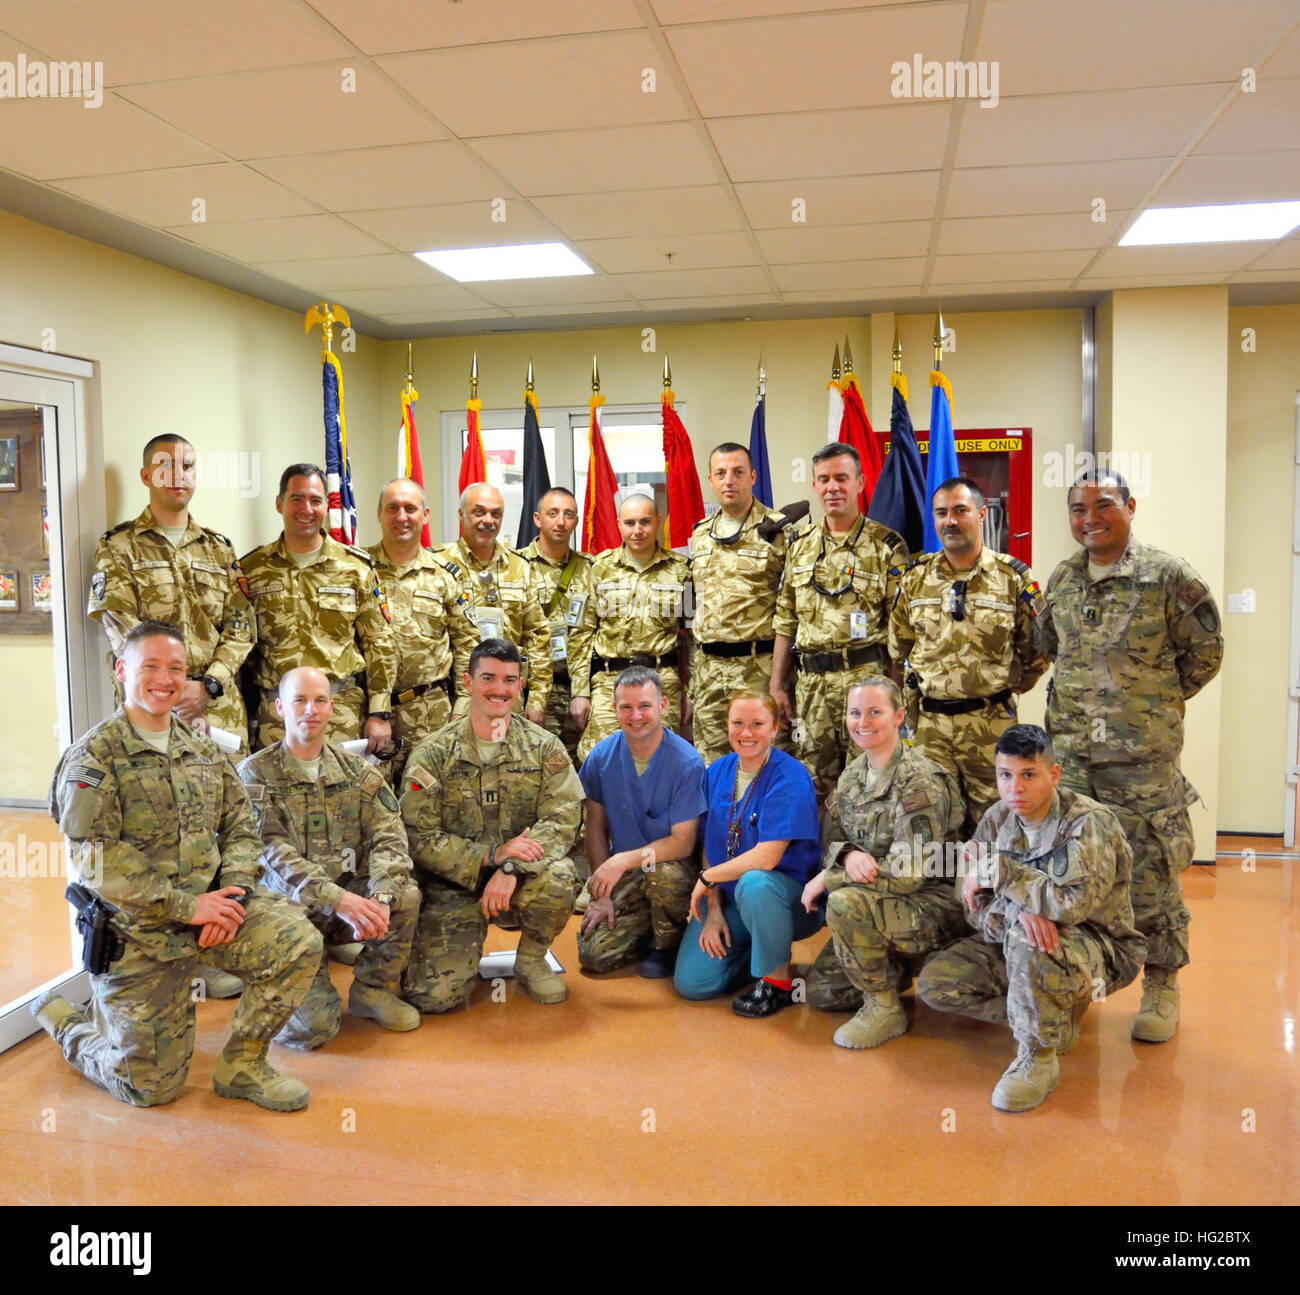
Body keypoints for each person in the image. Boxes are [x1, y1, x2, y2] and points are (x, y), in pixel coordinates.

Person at [32, 621, 321, 1112]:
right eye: (151, 666)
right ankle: (66, 1019)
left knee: (298, 941)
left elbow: (240, 826)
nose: (165, 679)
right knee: (149, 1089)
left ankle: (243, 1067)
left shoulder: (201, 748)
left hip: (213, 912)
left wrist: (231, 896)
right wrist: (189, 908)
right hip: (141, 932)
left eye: (176, 669)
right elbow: (96, 857)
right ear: (121, 670)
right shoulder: (95, 758)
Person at [1038, 470, 1223, 1042]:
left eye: (1103, 504)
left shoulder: (1168, 576)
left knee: (1150, 877)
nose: (1089, 517)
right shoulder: (1063, 579)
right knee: (1076, 876)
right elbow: (1050, 651)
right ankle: (1079, 985)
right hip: (1072, 761)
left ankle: (1162, 984)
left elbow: (1205, 656)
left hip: (1142, 764)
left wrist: (1147, 709)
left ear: (1130, 507)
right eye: (1078, 508)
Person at [88, 434, 257, 1001]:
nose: (177, 475)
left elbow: (242, 626)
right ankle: (164, 947)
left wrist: (207, 684)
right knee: (162, 832)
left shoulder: (219, 548)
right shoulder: (118, 549)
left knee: (217, 825)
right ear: (146, 476)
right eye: (165, 466)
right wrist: (171, 685)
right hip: (153, 712)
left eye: (187, 464)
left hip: (215, 707)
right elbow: (120, 631)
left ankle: (217, 938)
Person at [917, 724, 1145, 1112]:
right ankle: (1050, 1017)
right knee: (937, 985)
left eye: (1028, 775)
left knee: (1030, 941)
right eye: (1005, 775)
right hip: (1019, 936)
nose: (1015, 788)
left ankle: (1037, 1056)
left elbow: (1072, 906)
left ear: (1053, 775)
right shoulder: (996, 819)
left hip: (1100, 946)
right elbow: (970, 898)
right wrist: (1017, 911)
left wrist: (1002, 875)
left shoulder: (1089, 823)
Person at [237, 666, 421, 1048]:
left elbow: (390, 836)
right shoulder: (253, 775)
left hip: (344, 904)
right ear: (279, 708)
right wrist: (338, 900)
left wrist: (382, 897)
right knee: (315, 1030)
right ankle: (280, 983)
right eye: (300, 700)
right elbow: (273, 855)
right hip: (287, 910)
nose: (311, 709)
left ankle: (373, 990)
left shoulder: (357, 773)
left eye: (320, 700)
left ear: (332, 708)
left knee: (405, 896)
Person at [400, 638, 581, 1011]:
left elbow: (563, 820)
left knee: (560, 877)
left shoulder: (544, 747)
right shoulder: (433, 753)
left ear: (520, 685)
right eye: (488, 678)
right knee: (432, 999)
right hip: (455, 883)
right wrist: (491, 856)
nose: (499, 690)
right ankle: (453, 947)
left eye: (510, 680)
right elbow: (419, 836)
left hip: (520, 877)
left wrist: (511, 867)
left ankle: (530, 960)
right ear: (467, 683)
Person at [803, 677, 967, 1048]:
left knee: (843, 904)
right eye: (855, 712)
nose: (863, 722)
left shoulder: (919, 781)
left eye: (875, 712)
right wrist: (848, 855)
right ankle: (899, 965)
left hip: (931, 904)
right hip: (881, 899)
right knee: (824, 992)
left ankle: (884, 1007)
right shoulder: (852, 777)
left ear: (899, 717)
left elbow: (908, 876)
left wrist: (830, 881)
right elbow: (830, 843)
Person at [890, 477, 1050, 828]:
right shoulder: (914, 579)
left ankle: (989, 886)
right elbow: (897, 648)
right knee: (930, 825)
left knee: (999, 826)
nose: (950, 521)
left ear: (981, 514)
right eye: (941, 513)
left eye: (960, 511)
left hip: (990, 725)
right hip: (929, 729)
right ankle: (941, 886)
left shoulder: (1013, 577)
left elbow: (1038, 650)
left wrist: (1004, 687)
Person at [771, 444, 907, 803]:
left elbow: (900, 628)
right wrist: (776, 685)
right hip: (812, 687)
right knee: (812, 784)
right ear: (815, 486)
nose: (833, 487)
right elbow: (785, 620)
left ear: (860, 483)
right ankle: (822, 860)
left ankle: (867, 858)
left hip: (867, 685)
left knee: (872, 779)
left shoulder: (887, 546)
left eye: (842, 478)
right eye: (824, 479)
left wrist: (895, 694)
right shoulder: (798, 546)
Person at [674, 691, 822, 1017]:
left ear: (775, 728)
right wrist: (713, 909)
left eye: (757, 724)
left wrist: (707, 878)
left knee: (756, 882)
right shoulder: (716, 773)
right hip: (731, 902)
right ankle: (759, 956)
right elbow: (709, 848)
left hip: (789, 902)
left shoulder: (790, 775)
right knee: (693, 984)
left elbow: (767, 858)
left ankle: (778, 984)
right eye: (737, 723)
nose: (746, 733)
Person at [239, 463, 397, 751]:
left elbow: (379, 643)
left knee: (342, 793)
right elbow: (240, 642)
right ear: (279, 504)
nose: (307, 509)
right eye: (296, 499)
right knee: (278, 794)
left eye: (315, 500)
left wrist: (379, 712)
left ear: (327, 505)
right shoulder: (252, 568)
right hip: (275, 716)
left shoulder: (355, 568)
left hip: (340, 712)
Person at [576, 666, 707, 978]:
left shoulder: (687, 763)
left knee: (662, 874)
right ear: (614, 709)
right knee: (594, 955)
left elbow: (683, 842)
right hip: (627, 873)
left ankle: (668, 944)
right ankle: (644, 923)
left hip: (671, 868)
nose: (636, 716)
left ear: (663, 706)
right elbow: (595, 827)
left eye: (645, 706)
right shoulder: (601, 757)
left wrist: (620, 860)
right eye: (626, 707)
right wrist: (601, 894)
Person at [689, 442, 795, 764]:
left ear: (752, 476)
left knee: (764, 763)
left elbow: (791, 611)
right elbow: (691, 606)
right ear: (710, 480)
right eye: (720, 474)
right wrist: (693, 682)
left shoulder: (781, 530)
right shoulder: (699, 535)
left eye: (737, 472)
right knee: (711, 767)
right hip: (709, 674)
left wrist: (779, 682)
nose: (729, 481)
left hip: (758, 670)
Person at [569, 491, 692, 762]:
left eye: (645, 522)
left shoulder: (682, 571)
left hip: (662, 681)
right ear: (618, 524)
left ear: (658, 521)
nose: (637, 530)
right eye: (630, 523)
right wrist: (580, 691)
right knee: (599, 762)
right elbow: (579, 634)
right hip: (609, 683)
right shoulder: (597, 569)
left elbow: (693, 637)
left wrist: (691, 690)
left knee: (662, 763)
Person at [367, 478, 475, 780]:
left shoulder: (446, 575)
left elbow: (467, 645)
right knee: (370, 802)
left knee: (428, 799)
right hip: (370, 711)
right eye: (393, 508)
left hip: (432, 711)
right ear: (379, 514)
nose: (402, 516)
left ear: (425, 515)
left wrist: (463, 706)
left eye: (410, 509)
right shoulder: (358, 569)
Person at [434, 482, 550, 725]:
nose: (488, 520)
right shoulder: (437, 565)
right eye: (479, 512)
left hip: (508, 700)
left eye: (495, 513)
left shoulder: (519, 567)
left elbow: (538, 636)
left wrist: (537, 699)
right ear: (461, 514)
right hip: (451, 702)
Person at [518, 486, 593, 762]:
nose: (560, 521)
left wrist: (581, 691)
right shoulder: (516, 566)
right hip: (531, 693)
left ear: (576, 521)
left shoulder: (591, 568)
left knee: (577, 774)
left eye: (568, 514)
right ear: (537, 518)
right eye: (553, 513)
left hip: (576, 692)